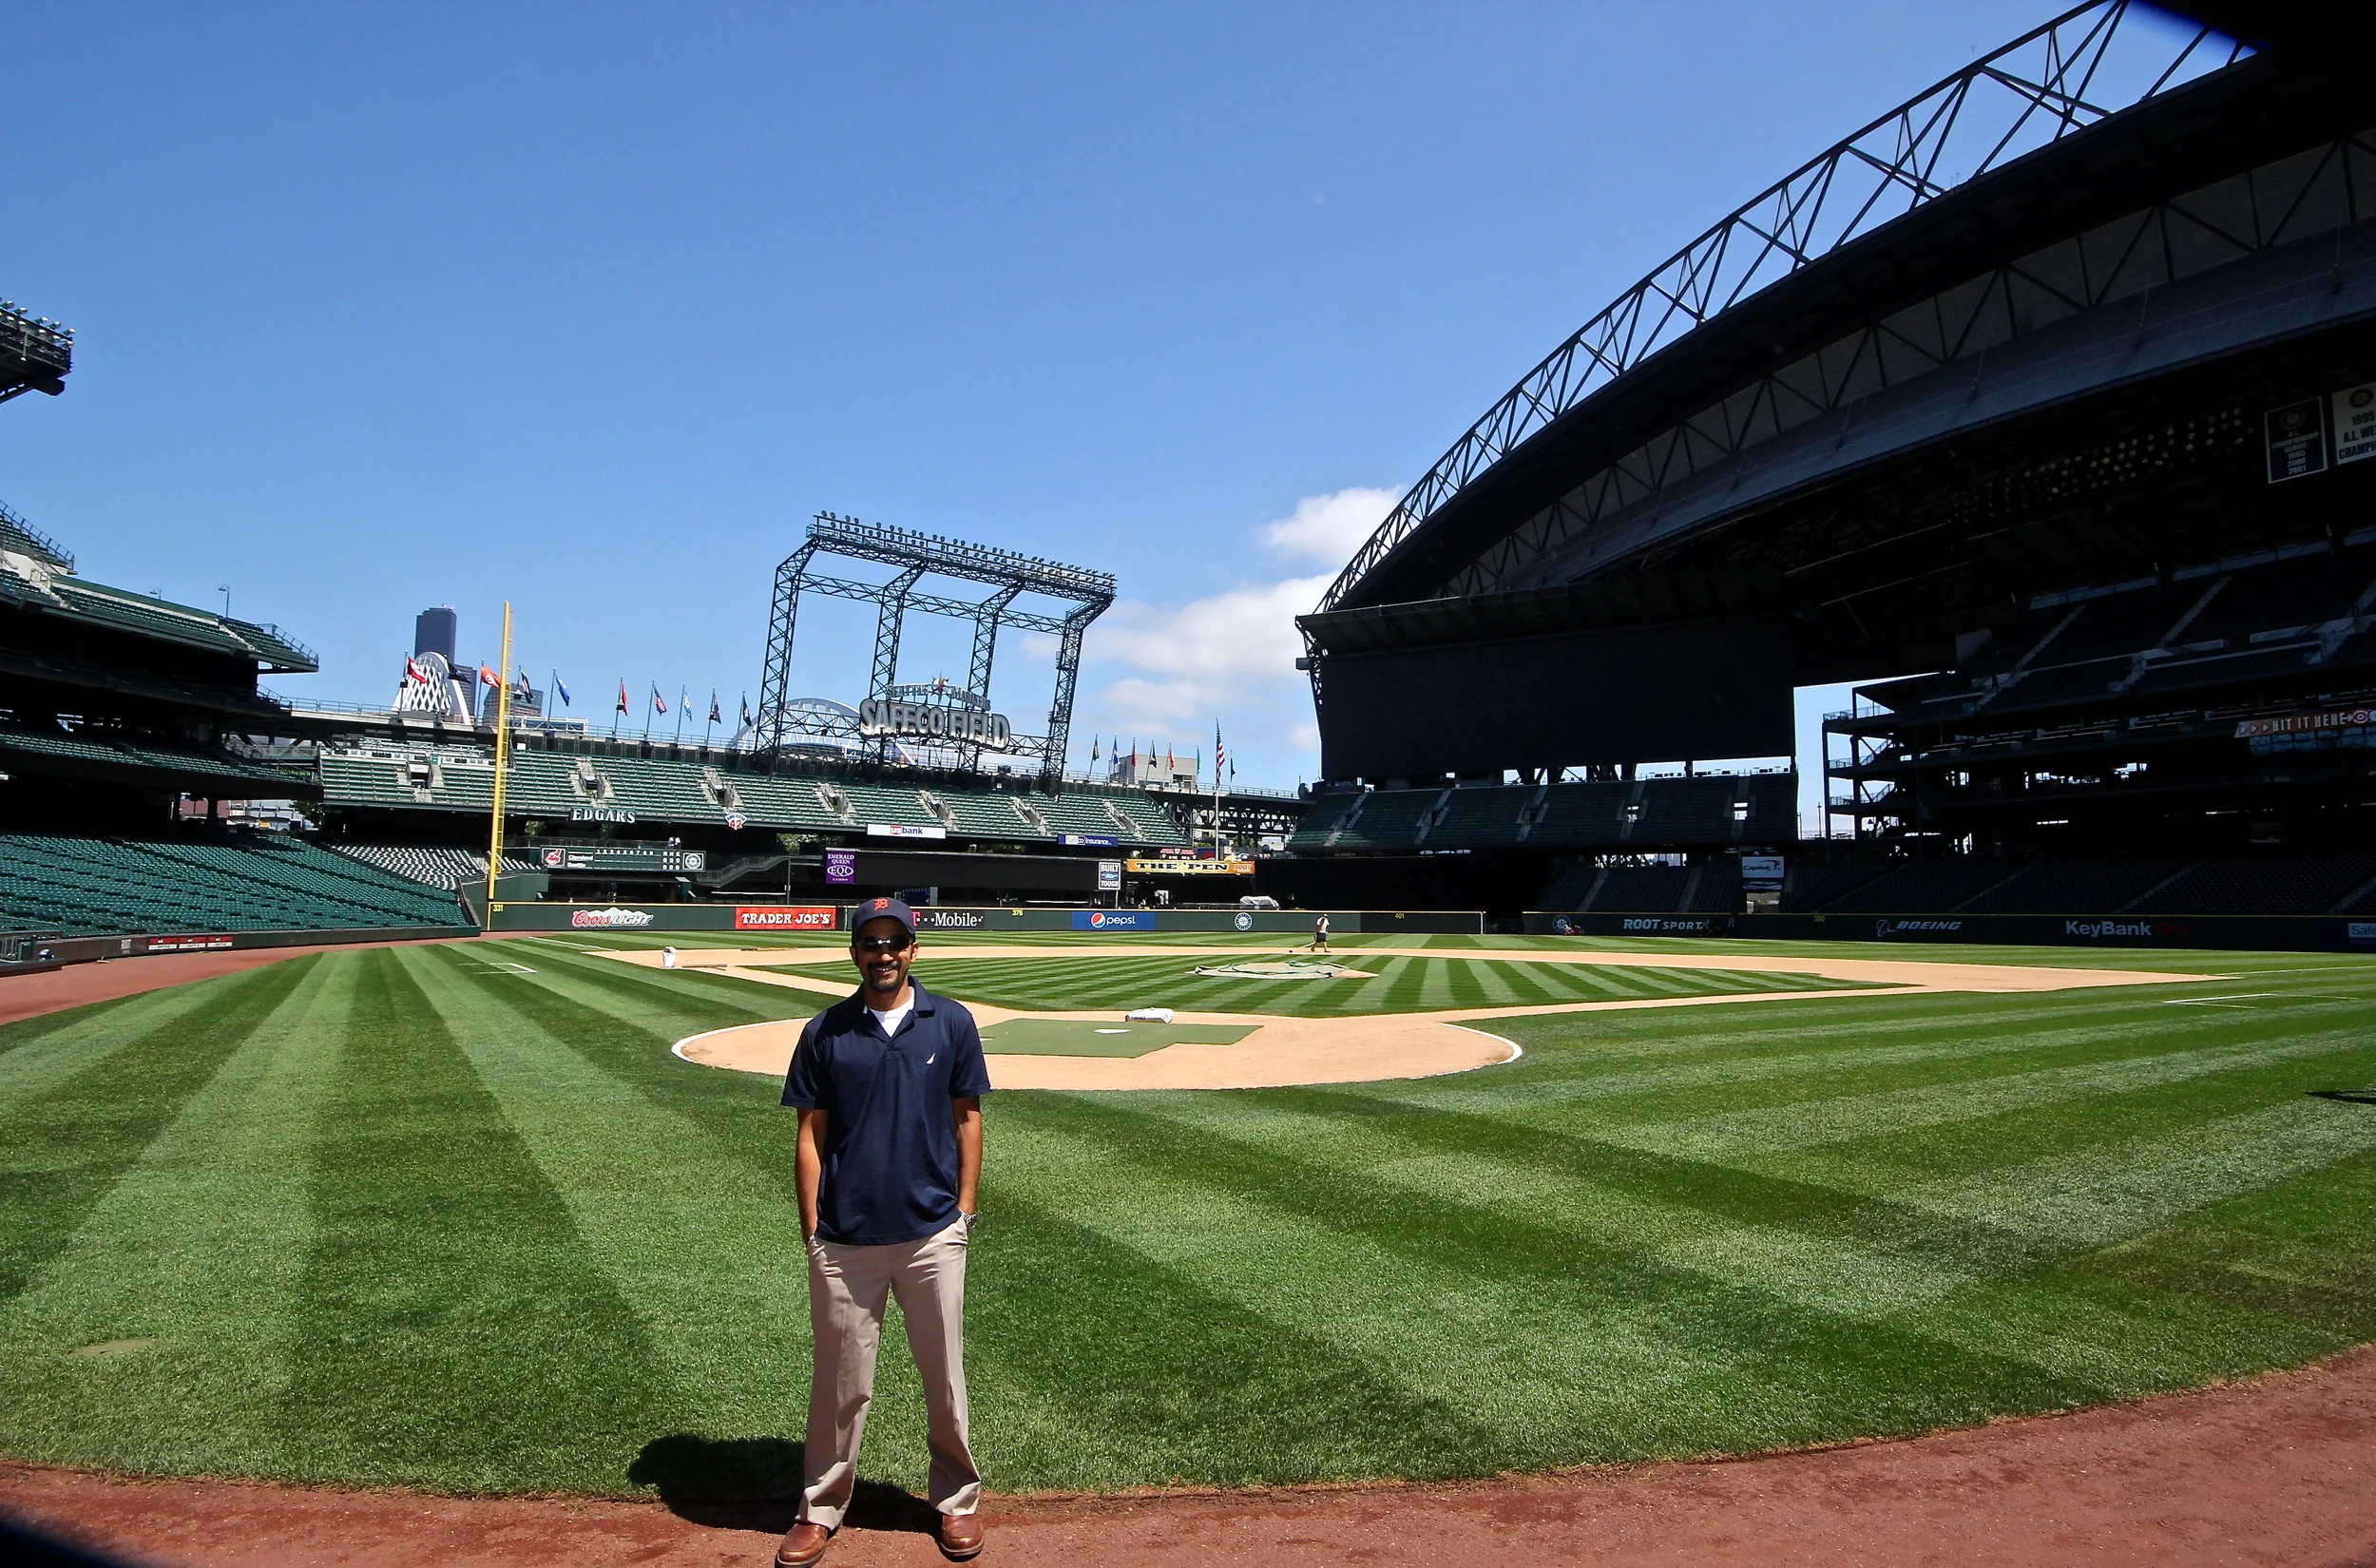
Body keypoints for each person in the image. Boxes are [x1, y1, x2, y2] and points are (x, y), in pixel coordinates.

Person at [776, 897, 990, 1566]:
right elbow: (810, 1132)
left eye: (895, 941)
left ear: (913, 949)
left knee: (945, 1377)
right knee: (840, 1385)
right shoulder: (826, 1031)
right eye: (871, 942)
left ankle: (956, 1502)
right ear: (855, 953)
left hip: (932, 1234)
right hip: (846, 1240)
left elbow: (968, 1118)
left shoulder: (950, 1022)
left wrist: (963, 1211)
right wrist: (812, 1227)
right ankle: (819, 1507)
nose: (883, 953)